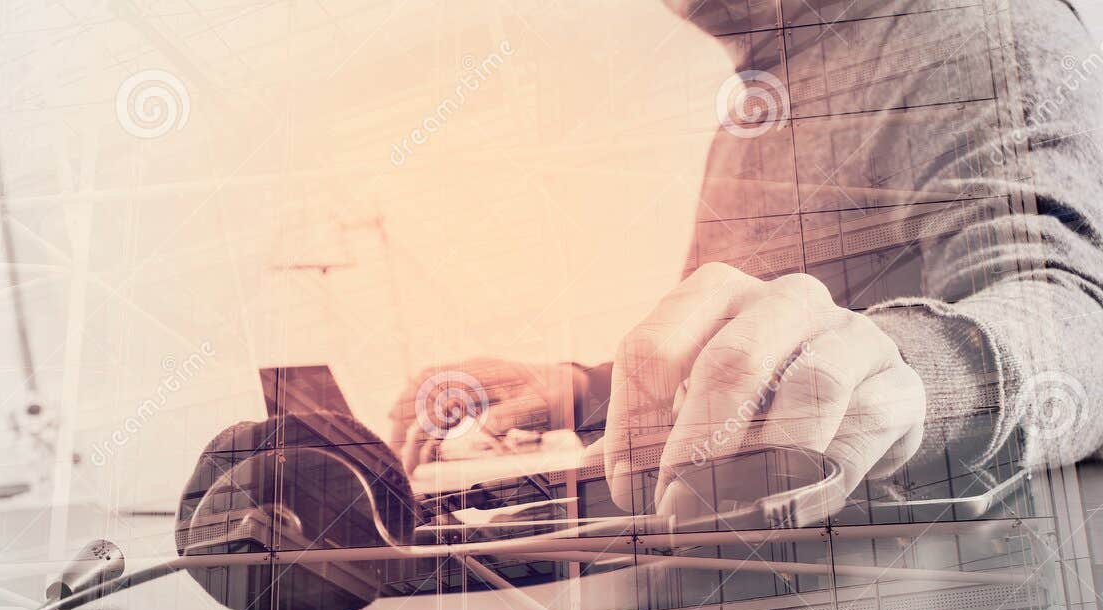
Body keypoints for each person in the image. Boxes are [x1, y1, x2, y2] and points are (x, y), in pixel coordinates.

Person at [390, 0, 1103, 518]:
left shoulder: (980, 26)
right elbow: (741, 361)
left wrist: (913, 371)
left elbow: (1073, 314)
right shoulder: (766, 85)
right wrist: (584, 388)